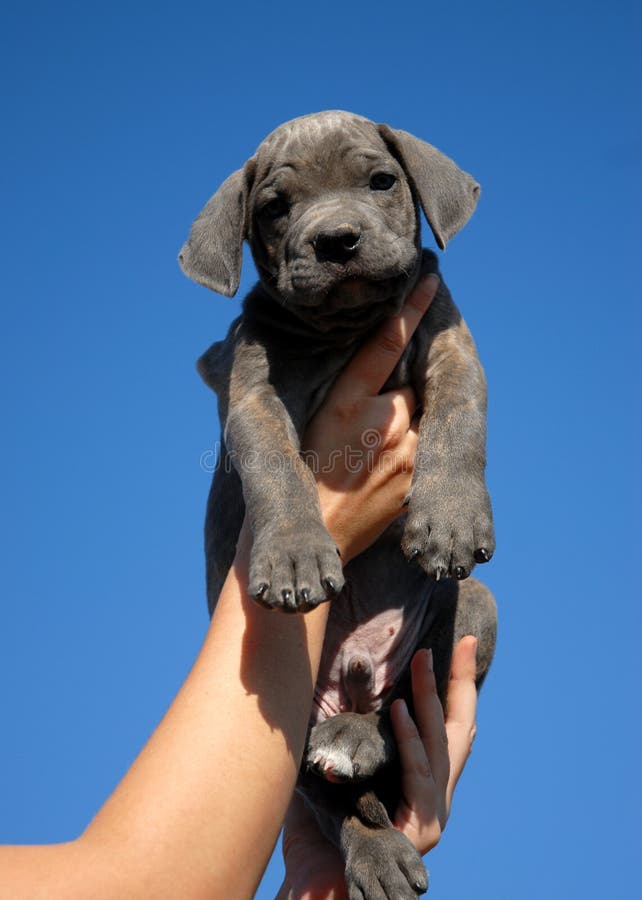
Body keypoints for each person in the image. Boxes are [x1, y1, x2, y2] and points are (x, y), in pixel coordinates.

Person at [0, 274, 479, 899]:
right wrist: (319, 522)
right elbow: (151, 887)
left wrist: (320, 872)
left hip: (387, 663)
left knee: (474, 615)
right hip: (313, 672)